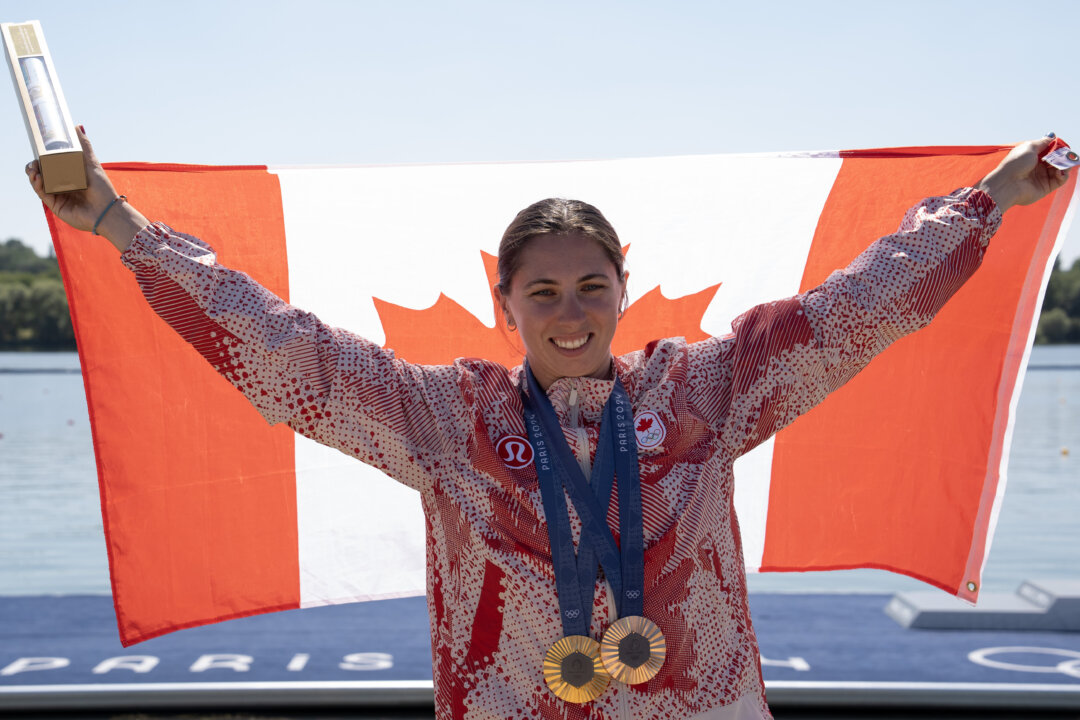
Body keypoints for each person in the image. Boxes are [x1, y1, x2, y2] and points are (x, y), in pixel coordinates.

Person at [26, 129, 1068, 720]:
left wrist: (984, 200)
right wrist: (123, 227)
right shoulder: (441, 419)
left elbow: (853, 313)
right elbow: (287, 350)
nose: (569, 314)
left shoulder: (706, 391)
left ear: (624, 290)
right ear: (505, 304)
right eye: (544, 294)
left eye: (589, 288)